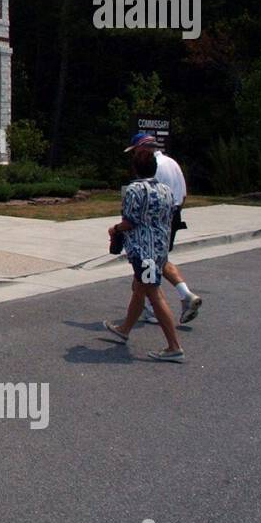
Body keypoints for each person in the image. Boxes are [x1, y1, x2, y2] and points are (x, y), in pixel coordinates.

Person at [104, 144, 186, 362]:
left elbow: (130, 221)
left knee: (153, 294)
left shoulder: (134, 191)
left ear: (135, 168)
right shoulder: (166, 191)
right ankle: (123, 330)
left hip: (144, 252)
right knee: (139, 290)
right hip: (160, 250)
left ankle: (174, 346)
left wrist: (115, 229)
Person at [124, 133, 202, 324]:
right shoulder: (172, 162)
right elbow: (182, 195)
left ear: (141, 151)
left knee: (147, 270)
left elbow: (144, 200)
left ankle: (153, 310)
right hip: (171, 215)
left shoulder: (151, 169)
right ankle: (185, 294)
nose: (133, 156)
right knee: (161, 260)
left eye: (134, 152)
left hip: (148, 224)